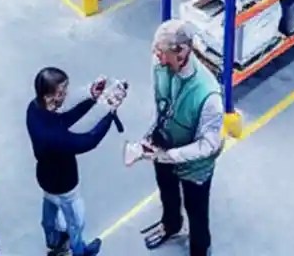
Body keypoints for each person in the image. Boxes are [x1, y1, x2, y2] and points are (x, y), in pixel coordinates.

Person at [139, 21, 222, 256]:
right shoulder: (160, 63)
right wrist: (152, 135)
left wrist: (171, 156)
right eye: (157, 53)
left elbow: (209, 144)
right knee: (167, 193)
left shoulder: (208, 95)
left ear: (183, 51)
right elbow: (163, 104)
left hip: (195, 166)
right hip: (163, 148)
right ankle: (172, 224)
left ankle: (199, 249)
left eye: (164, 54)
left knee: (196, 211)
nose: (159, 60)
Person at [26, 66, 124, 256]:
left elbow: (63, 119)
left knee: (50, 210)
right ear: (48, 97)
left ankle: (53, 240)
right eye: (62, 92)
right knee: (76, 221)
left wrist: (91, 98)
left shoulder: (35, 109)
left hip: (45, 178)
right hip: (65, 184)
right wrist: (109, 112)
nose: (66, 94)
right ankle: (79, 251)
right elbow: (89, 140)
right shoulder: (54, 137)